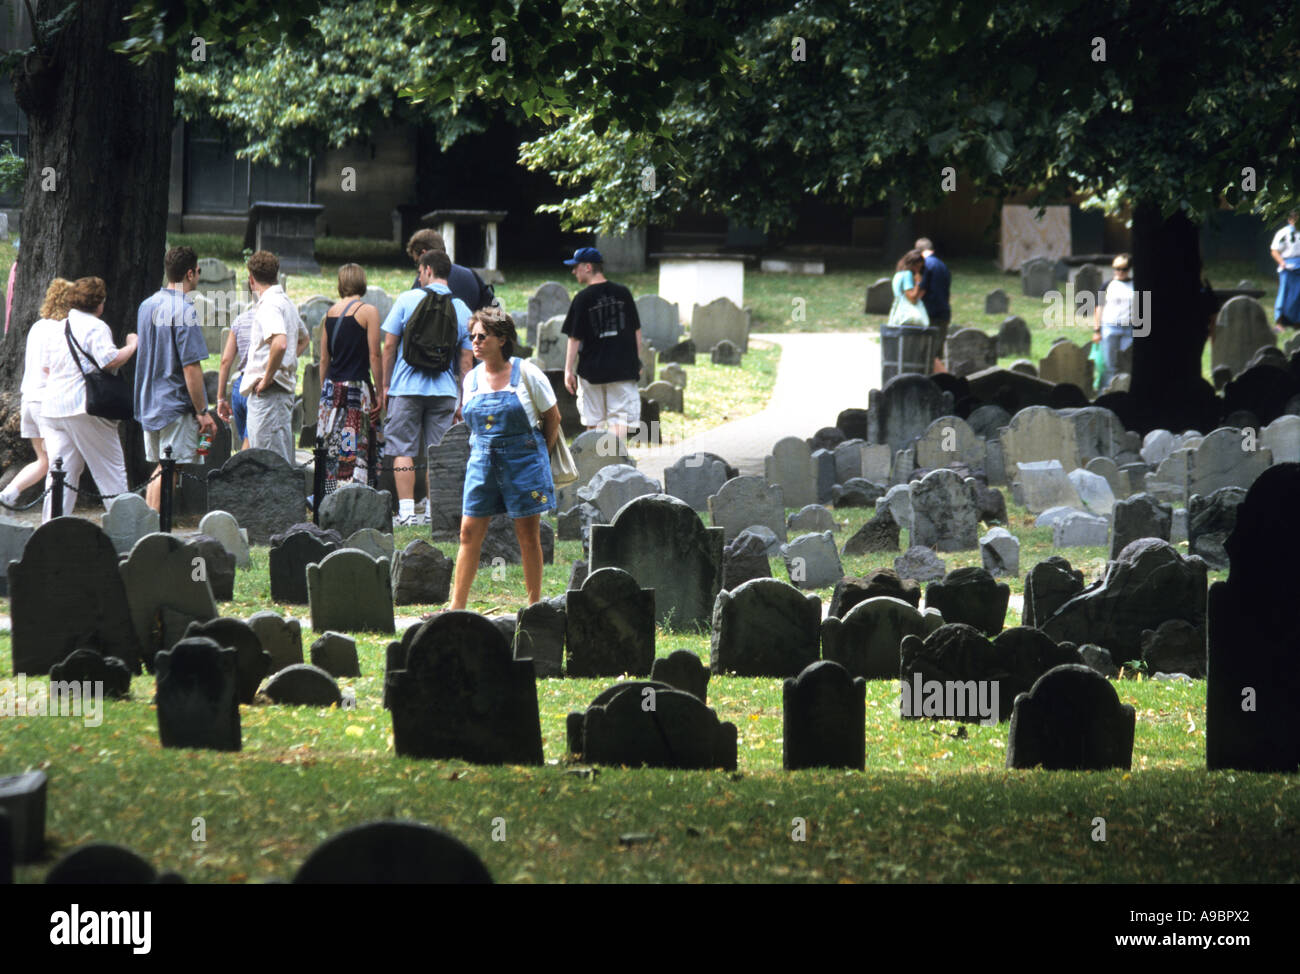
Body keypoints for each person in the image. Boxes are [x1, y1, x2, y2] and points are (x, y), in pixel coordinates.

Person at [450, 308, 560, 609]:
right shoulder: (471, 380)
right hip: (482, 464)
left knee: (527, 535)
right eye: (472, 336)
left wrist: (538, 457)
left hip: (523, 465)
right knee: (468, 532)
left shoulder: (527, 374)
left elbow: (553, 418)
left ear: (501, 339)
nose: (475, 342)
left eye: (482, 336)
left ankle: (535, 605)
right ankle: (456, 608)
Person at [381, 249, 473, 525]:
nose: (418, 277)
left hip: (405, 388)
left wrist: (385, 385)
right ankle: (435, 512)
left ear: (429, 270)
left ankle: (408, 513)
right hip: (444, 391)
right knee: (439, 451)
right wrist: (462, 398)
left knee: (403, 450)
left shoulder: (407, 300)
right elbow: (466, 361)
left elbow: (389, 346)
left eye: (419, 272)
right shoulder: (462, 308)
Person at [39, 277, 137, 522]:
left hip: (53, 409)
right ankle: (123, 532)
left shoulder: (57, 327)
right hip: (85, 408)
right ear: (100, 303)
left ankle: (50, 531)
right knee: (111, 472)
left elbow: (47, 369)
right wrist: (132, 345)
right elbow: (109, 360)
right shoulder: (95, 327)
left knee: (61, 475)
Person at [134, 246, 218, 511]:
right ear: (190, 273)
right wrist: (203, 411)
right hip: (174, 404)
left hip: (149, 400)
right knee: (169, 468)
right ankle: (156, 536)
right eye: (198, 272)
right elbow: (191, 367)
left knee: (162, 467)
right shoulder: (184, 309)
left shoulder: (146, 305)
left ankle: (150, 529)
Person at [0, 277, 75, 508]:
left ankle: (8, 494)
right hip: (47, 402)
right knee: (58, 463)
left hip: (29, 400)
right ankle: (54, 513)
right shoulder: (62, 328)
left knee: (44, 460)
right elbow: (50, 366)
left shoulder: (37, 326)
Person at [560, 246, 643, 441]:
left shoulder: (582, 299)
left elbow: (574, 338)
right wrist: (637, 361)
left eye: (576, 267)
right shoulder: (623, 293)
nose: (573, 271)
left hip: (591, 370)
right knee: (620, 420)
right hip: (623, 367)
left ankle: (593, 463)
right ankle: (614, 460)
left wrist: (568, 370)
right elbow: (636, 331)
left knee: (593, 420)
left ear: (588, 267)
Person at [318, 262, 382, 492]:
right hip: (356, 389)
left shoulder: (330, 313)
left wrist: (323, 393)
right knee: (352, 443)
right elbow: (375, 354)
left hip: (332, 388)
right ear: (361, 282)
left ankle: (331, 489)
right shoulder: (369, 312)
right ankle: (352, 491)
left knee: (334, 443)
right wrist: (381, 391)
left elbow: (324, 359)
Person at [240, 250, 306, 465]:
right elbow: (303, 339)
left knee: (268, 464)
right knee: (276, 460)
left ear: (251, 279)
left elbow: (280, 343)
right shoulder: (285, 302)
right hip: (277, 395)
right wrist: (282, 363)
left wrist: (269, 375)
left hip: (269, 395)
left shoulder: (269, 305)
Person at [404, 228, 495, 311]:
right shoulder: (472, 275)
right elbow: (498, 315)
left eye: (417, 262)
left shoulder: (421, 281)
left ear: (424, 253)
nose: (418, 269)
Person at [216, 305, 256, 450]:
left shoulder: (240, 320)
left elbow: (225, 361)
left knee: (246, 443)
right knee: (250, 446)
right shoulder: (273, 318)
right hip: (257, 387)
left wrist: (221, 398)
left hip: (240, 386)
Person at [1093, 253, 1135, 391]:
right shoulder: (1107, 285)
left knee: (1126, 364)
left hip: (1129, 328)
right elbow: (1099, 308)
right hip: (1110, 327)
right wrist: (1097, 330)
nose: (1120, 272)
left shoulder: (1134, 284)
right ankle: (1104, 392)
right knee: (1108, 364)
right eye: (1117, 269)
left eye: (1124, 269)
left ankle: (1123, 391)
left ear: (1129, 269)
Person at [915, 237, 952, 371]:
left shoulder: (926, 265)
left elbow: (921, 291)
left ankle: (948, 381)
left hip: (930, 314)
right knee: (937, 353)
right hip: (944, 313)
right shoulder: (943, 266)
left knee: (928, 355)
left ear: (918, 251)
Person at [1270, 209, 1300, 329]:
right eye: (1295, 219)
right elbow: (1274, 250)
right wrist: (1282, 262)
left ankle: (1297, 322)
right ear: (1290, 220)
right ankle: (1280, 322)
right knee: (1284, 294)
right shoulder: (1284, 233)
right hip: (1288, 267)